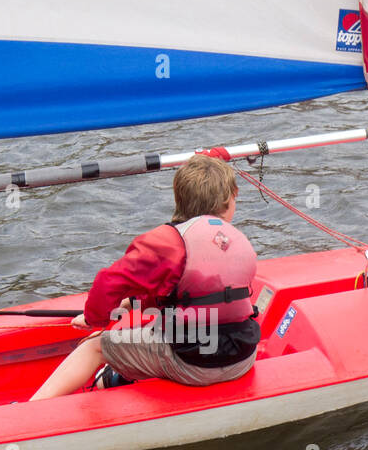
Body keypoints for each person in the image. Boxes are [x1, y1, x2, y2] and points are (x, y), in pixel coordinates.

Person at [30, 153, 260, 401]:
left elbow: (107, 283)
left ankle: (29, 412)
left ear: (179, 198)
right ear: (231, 197)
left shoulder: (167, 242)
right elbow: (194, 295)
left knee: (95, 345)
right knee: (156, 327)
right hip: (243, 357)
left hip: (194, 365)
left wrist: (94, 318)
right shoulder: (236, 240)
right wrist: (129, 304)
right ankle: (117, 378)